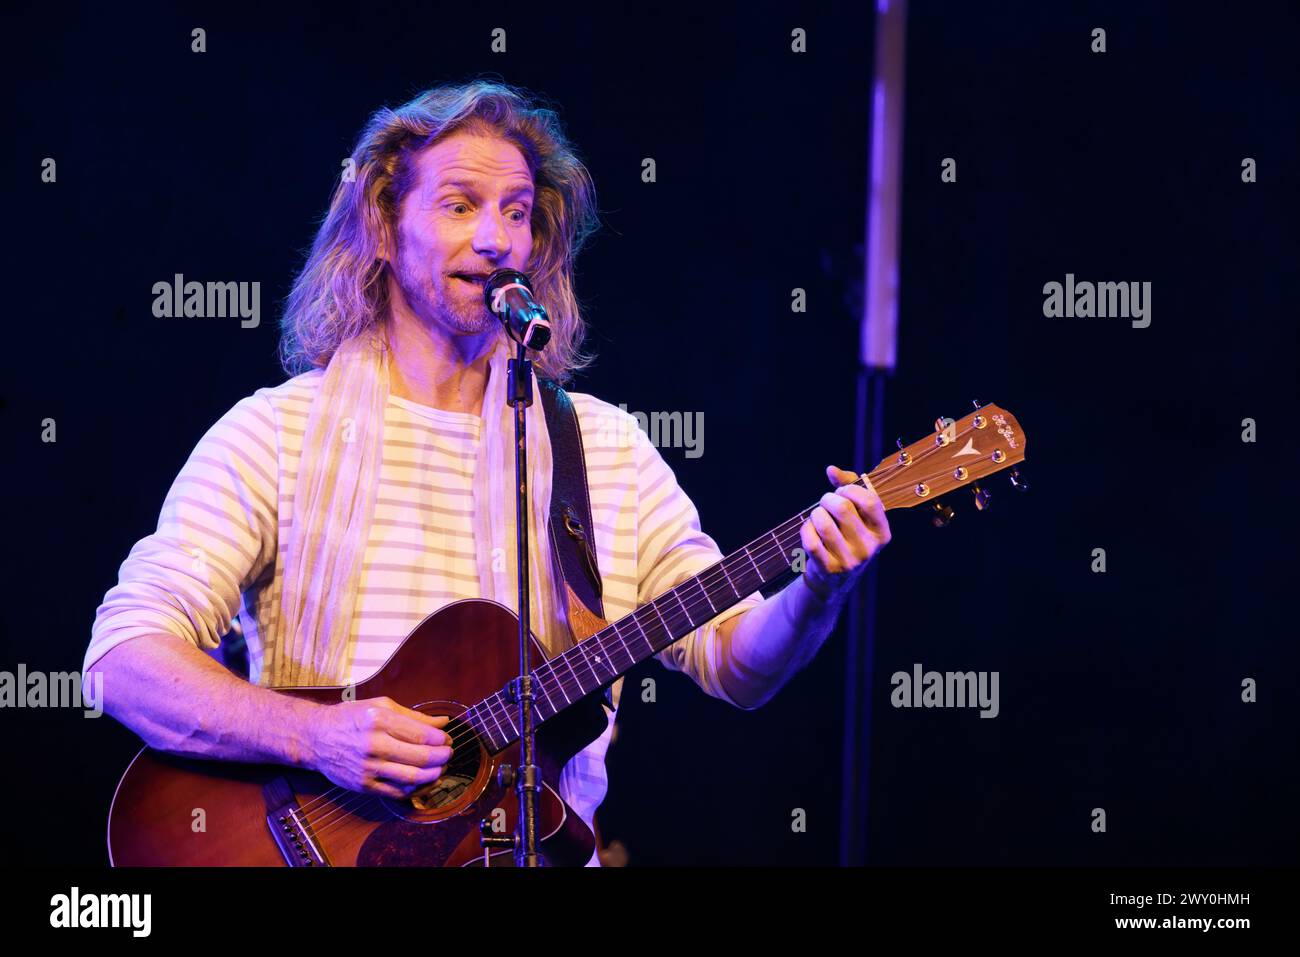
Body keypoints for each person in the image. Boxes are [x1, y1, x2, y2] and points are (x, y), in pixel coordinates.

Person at [84, 79, 891, 866]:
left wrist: (819, 587)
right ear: (384, 228)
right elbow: (124, 660)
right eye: (460, 204)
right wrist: (316, 735)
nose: (497, 238)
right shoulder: (276, 433)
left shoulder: (603, 449)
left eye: (515, 211)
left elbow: (734, 663)